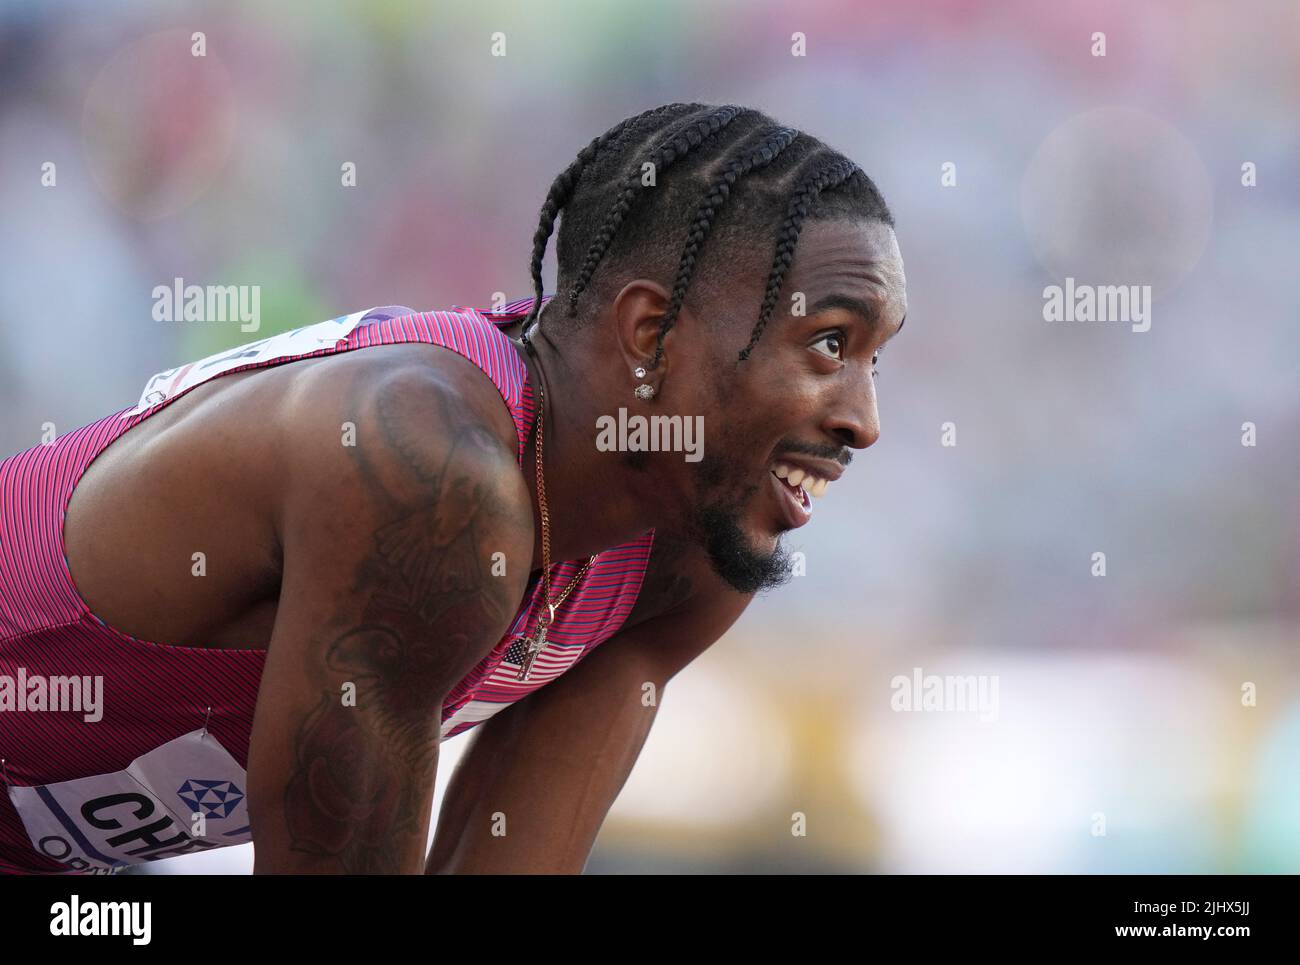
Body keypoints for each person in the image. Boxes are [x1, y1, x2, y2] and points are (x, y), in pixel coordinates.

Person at [0, 102, 906, 874]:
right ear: (650, 333)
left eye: (876, 360)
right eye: (830, 343)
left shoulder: (690, 547)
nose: (864, 420)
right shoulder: (430, 477)